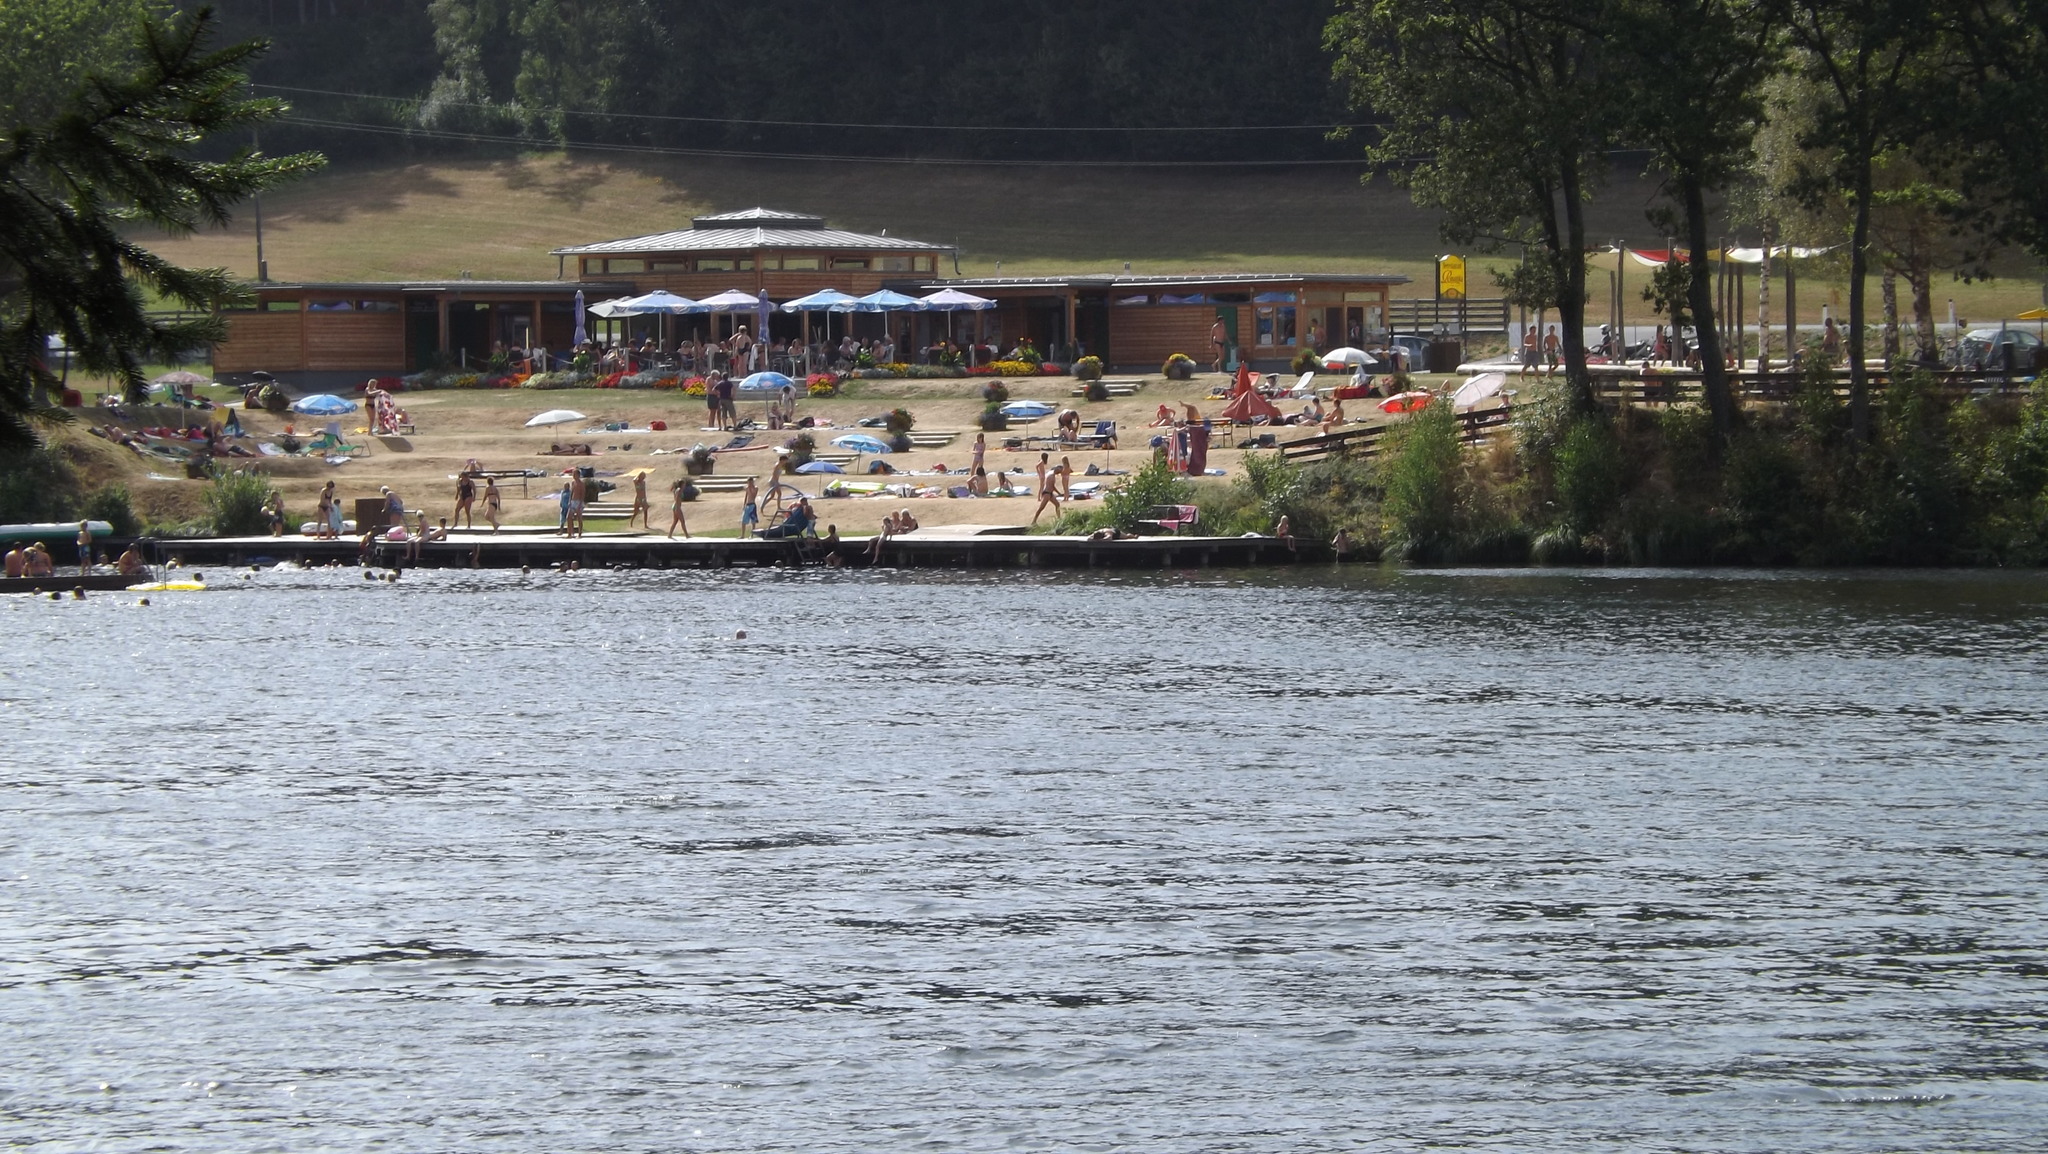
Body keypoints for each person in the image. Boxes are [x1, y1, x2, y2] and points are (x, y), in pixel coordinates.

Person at [564, 470, 586, 538]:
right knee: (568, 517)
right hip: (573, 501)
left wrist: (580, 504)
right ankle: (570, 533)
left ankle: (579, 533)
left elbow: (583, 494)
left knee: (579, 518)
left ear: (578, 475)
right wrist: (570, 501)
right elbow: (572, 492)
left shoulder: (581, 484)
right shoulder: (573, 483)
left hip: (579, 502)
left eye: (574, 474)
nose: (573, 476)